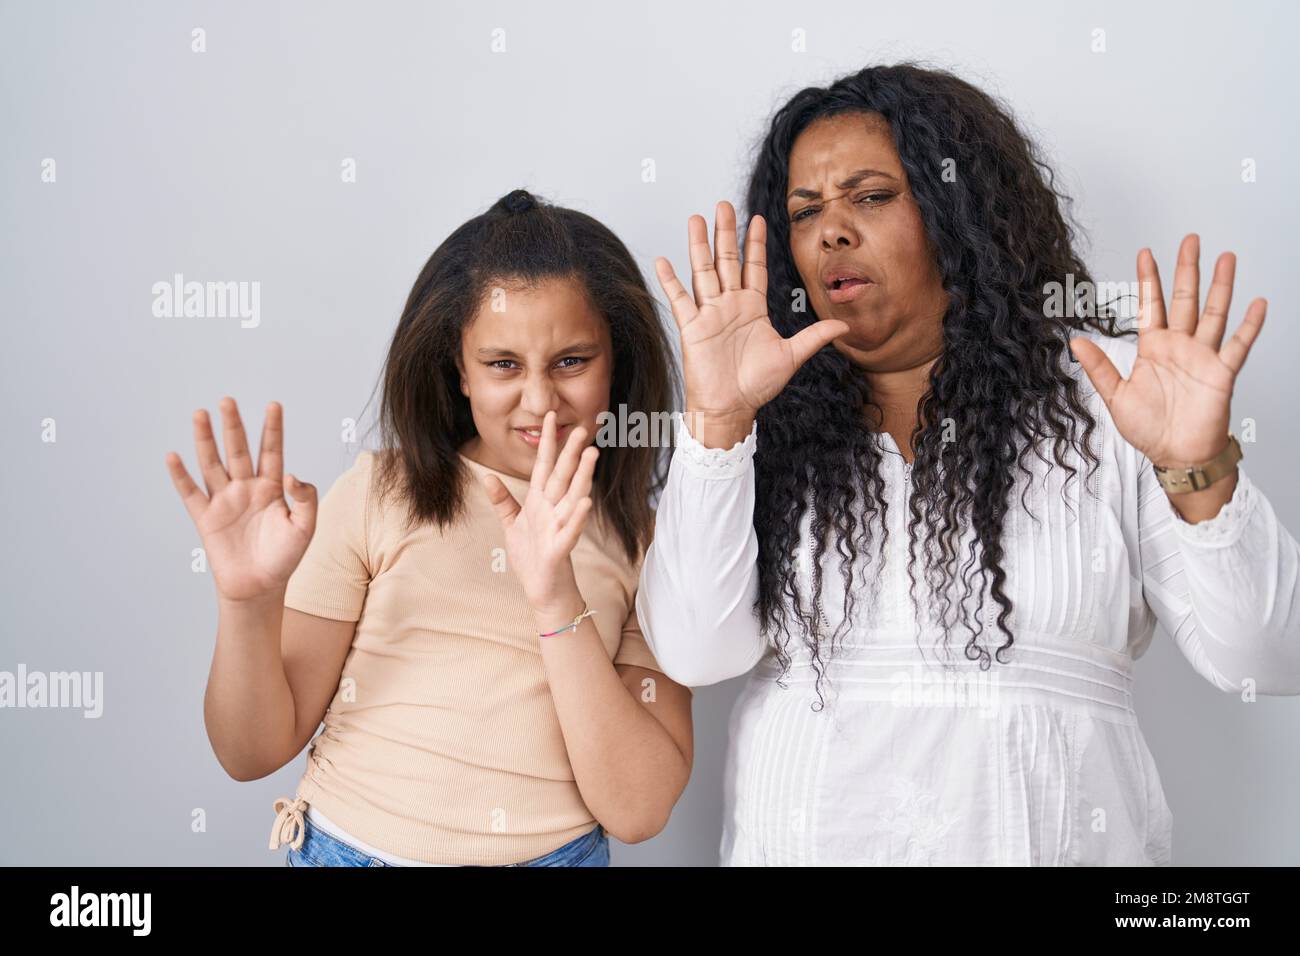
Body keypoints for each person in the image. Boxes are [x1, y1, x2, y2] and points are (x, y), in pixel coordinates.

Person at [638, 64, 1300, 865]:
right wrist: (719, 422)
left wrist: (1198, 467)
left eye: (872, 197)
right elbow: (695, 651)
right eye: (805, 212)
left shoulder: (1109, 397)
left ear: (959, 213)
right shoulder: (762, 421)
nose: (830, 232)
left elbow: (1268, 661)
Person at [165, 188, 693, 867]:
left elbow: (638, 809)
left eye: (572, 361)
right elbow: (250, 753)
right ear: (459, 369)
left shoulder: (646, 542)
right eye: (503, 364)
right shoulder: (380, 493)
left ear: (615, 361)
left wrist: (556, 599)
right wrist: (247, 604)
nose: (540, 399)